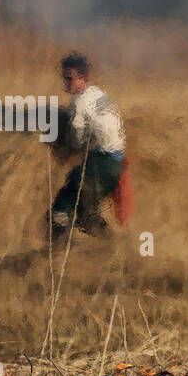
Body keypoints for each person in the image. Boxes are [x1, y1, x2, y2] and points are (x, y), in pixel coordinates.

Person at [46, 51, 128, 239]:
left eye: (69, 78)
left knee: (60, 209)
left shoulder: (79, 103)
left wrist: (61, 143)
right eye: (65, 78)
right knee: (86, 211)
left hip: (101, 163)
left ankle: (53, 253)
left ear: (82, 78)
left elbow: (77, 140)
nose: (66, 83)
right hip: (116, 164)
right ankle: (111, 248)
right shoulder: (98, 94)